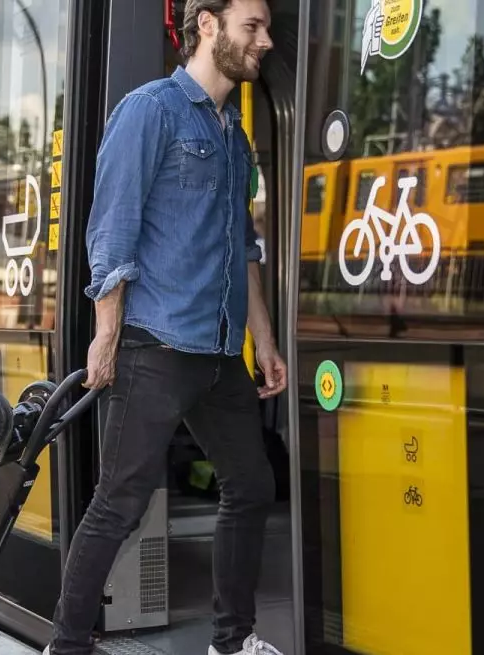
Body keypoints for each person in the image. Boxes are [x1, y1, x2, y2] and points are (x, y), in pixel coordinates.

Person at [46, 1, 283, 654]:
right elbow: (113, 226)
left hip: (214, 352)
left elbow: (246, 250)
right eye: (252, 27)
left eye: (267, 29)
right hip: (156, 344)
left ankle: (232, 641)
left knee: (251, 483)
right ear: (209, 26)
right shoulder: (150, 111)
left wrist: (262, 339)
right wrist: (106, 332)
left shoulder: (234, 135)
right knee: (119, 503)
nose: (265, 40)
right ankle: (65, 645)